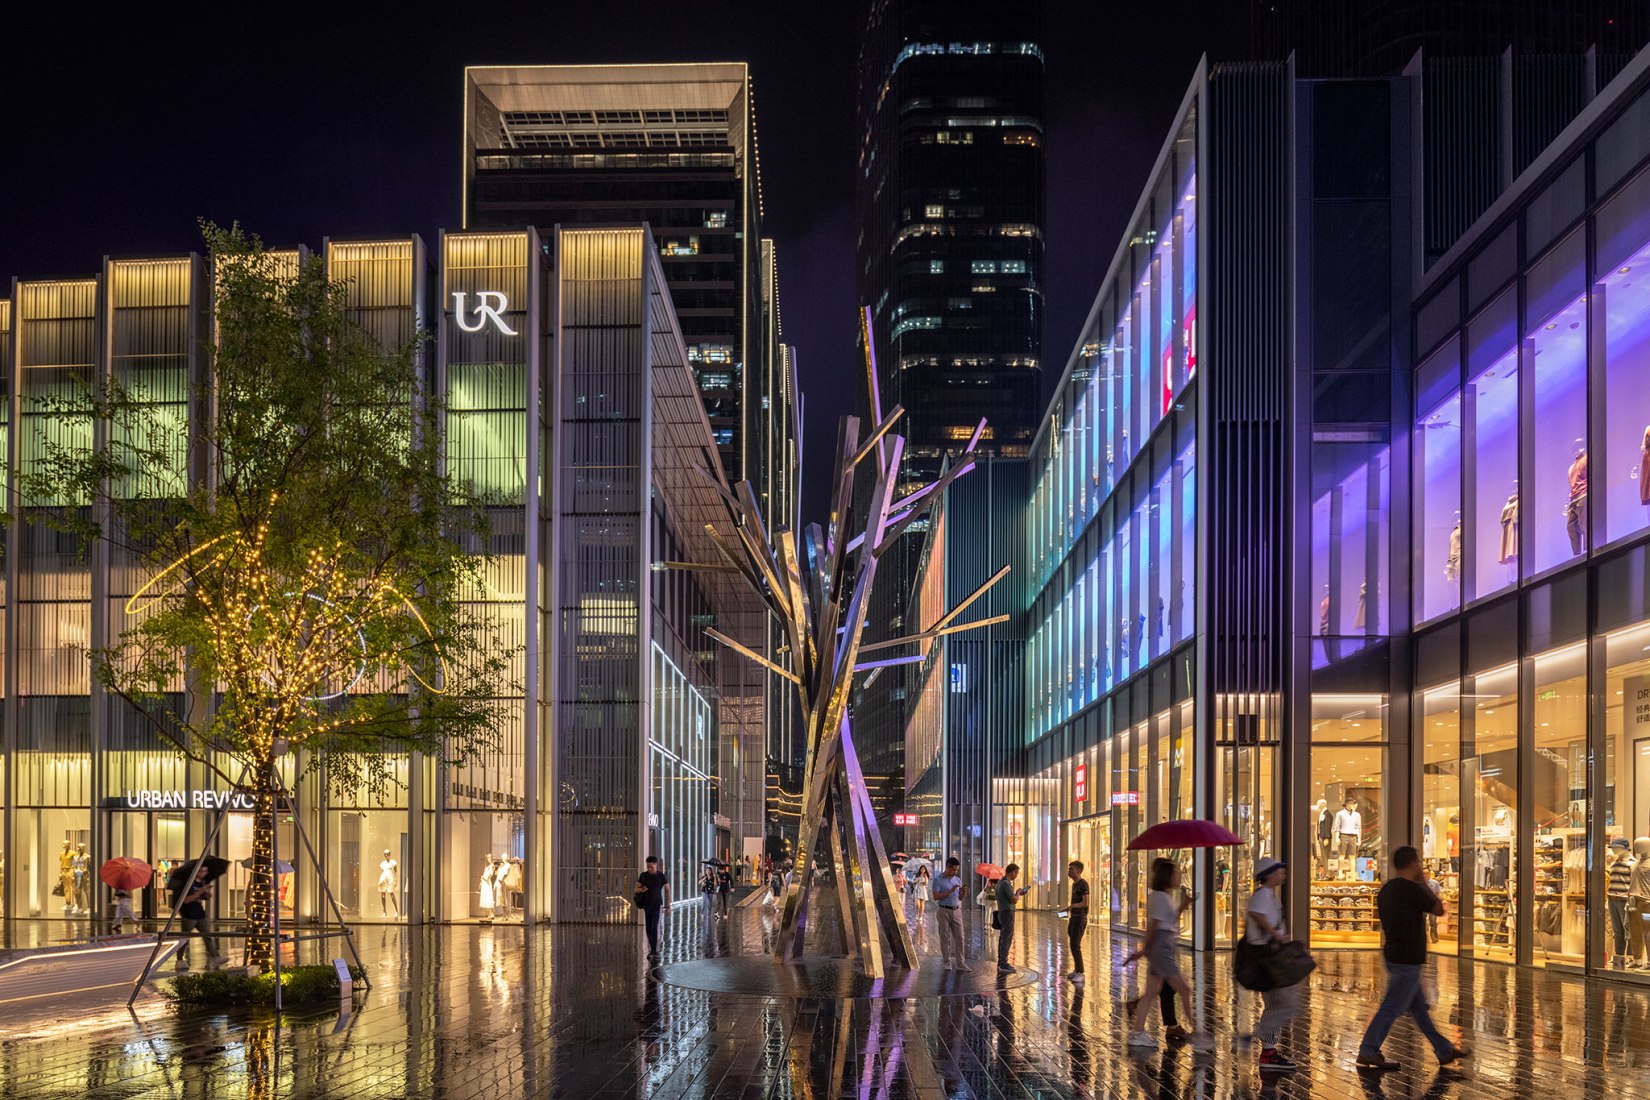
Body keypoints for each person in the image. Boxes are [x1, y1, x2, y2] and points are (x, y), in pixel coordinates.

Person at [1356, 845, 1470, 1072]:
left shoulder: (1387, 889)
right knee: (1391, 1007)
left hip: (1394, 953)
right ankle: (1368, 1049)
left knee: (1418, 1008)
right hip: (1408, 959)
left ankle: (1443, 1049)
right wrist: (1423, 882)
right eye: (1418, 862)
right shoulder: (1413, 889)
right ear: (1413, 864)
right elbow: (1438, 909)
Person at [1126, 858, 1213, 1051]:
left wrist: (1183, 904)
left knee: (1150, 993)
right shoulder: (1160, 897)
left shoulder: (1163, 897)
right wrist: (1144, 950)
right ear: (1167, 876)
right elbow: (1154, 926)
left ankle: (1138, 1033)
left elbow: (1168, 919)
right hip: (1162, 950)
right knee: (1184, 990)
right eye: (1175, 873)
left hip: (1161, 949)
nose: (1178, 876)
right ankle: (1198, 1035)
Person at [1245, 858, 1300, 1073]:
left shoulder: (1268, 895)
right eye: (1279, 871)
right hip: (1266, 958)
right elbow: (1255, 914)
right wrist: (1274, 932)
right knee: (1285, 1003)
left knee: (1276, 1004)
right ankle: (1259, 1038)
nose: (1282, 874)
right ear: (1269, 875)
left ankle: (1268, 1052)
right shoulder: (1262, 896)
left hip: (1268, 956)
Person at [173, 867, 223, 972]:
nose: (203, 873)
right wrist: (200, 892)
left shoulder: (202, 882)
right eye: (201, 871)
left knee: (208, 936)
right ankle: (179, 959)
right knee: (185, 938)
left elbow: (204, 897)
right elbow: (186, 900)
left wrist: (207, 893)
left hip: (200, 914)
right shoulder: (188, 883)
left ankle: (216, 957)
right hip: (189, 914)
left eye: (205, 871)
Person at [932, 856, 969, 970]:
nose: (955, 872)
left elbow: (960, 898)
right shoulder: (938, 880)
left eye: (957, 870)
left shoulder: (957, 880)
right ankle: (947, 961)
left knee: (960, 937)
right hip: (943, 910)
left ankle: (960, 962)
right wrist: (951, 891)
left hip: (957, 910)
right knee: (945, 937)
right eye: (953, 870)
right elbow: (936, 896)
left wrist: (963, 892)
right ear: (947, 866)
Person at [635, 856, 670, 961]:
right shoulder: (643, 876)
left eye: (651, 866)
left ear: (655, 865)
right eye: (648, 867)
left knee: (654, 926)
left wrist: (668, 906)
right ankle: (653, 949)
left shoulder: (661, 876)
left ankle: (654, 950)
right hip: (647, 905)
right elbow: (636, 889)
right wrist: (641, 890)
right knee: (648, 928)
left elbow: (668, 890)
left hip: (657, 905)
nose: (649, 869)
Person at [995, 864, 1029, 972]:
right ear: (1013, 872)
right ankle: (1003, 963)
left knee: (1003, 937)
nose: (1016, 875)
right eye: (1017, 873)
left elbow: (1009, 897)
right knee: (1007, 938)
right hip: (1007, 912)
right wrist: (1018, 892)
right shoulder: (1006, 884)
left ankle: (1001, 961)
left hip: (1001, 911)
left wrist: (1017, 894)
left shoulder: (1000, 882)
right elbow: (1013, 900)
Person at [1066, 860, 1090, 983]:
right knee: (1072, 943)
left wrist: (1073, 906)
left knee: (1075, 944)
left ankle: (1080, 972)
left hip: (1080, 918)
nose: (1069, 871)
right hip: (1073, 917)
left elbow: (1085, 903)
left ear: (1079, 871)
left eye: (1071, 869)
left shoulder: (1083, 884)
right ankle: (1077, 970)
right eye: (1069, 869)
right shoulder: (1074, 884)